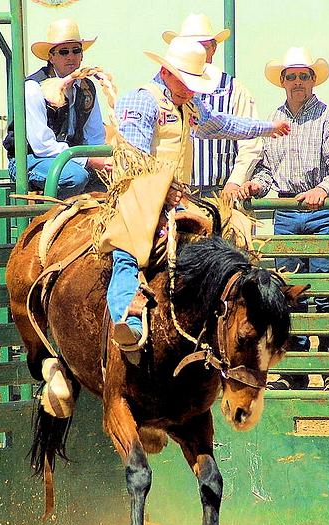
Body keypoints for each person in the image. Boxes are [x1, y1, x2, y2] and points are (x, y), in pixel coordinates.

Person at [109, 37, 288, 362]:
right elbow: (134, 157)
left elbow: (220, 123)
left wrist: (266, 128)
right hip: (139, 199)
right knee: (128, 256)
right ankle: (130, 323)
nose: (190, 90)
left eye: (194, 84)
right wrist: (162, 188)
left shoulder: (188, 104)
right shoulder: (143, 101)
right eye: (185, 82)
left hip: (176, 200)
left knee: (220, 246)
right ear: (166, 72)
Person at [240, 47, 329, 391]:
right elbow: (267, 170)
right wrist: (257, 184)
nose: (297, 82)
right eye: (291, 76)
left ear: (313, 80)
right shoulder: (274, 120)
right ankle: (295, 371)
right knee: (289, 295)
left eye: (303, 76)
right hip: (287, 210)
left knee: (326, 294)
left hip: (323, 211)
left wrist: (323, 189)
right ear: (283, 81)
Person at [4, 19, 111, 199]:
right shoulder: (33, 87)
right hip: (28, 160)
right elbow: (42, 146)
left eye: (76, 50)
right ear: (51, 57)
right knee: (74, 177)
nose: (71, 56)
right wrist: (88, 160)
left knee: (112, 179)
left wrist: (102, 160)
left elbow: (95, 137)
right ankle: (49, 214)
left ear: (82, 55)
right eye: (63, 51)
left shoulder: (87, 88)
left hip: (70, 159)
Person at [162, 13, 263, 199]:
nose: (196, 52)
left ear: (213, 49)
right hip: (175, 193)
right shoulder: (162, 91)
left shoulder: (233, 90)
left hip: (220, 191)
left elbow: (250, 144)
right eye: (190, 46)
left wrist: (235, 182)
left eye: (203, 46)